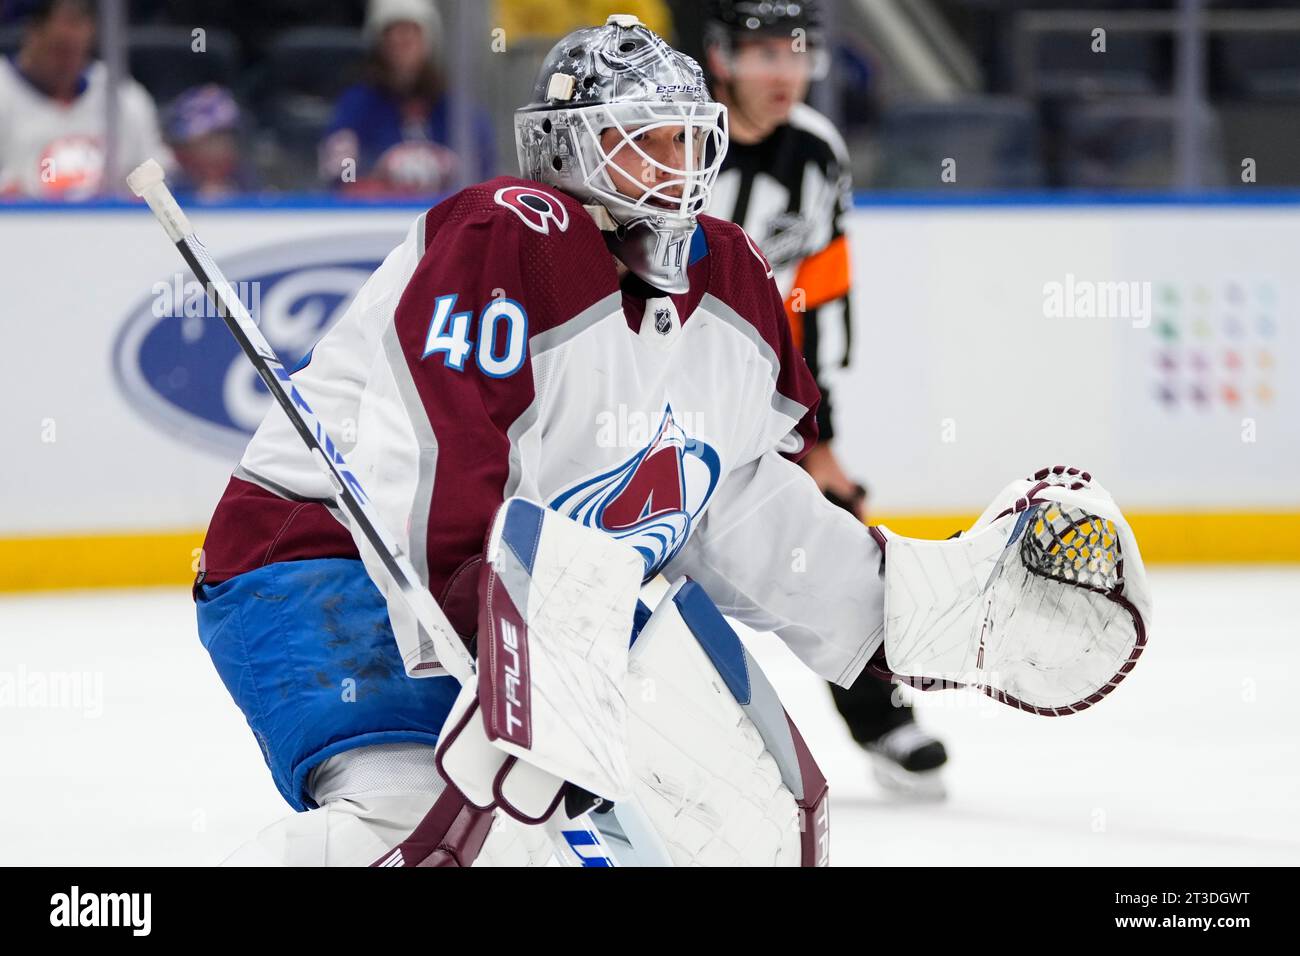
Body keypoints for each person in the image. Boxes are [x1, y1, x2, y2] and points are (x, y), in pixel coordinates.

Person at [196, 14, 889, 866]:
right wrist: (507, 657)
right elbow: (428, 460)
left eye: (685, 141)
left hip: (509, 609)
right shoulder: (509, 236)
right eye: (642, 143)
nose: (674, 170)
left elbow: (729, 502)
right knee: (420, 825)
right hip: (321, 560)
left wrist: (898, 613)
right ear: (568, 150)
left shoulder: (721, 278)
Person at [703, 0, 948, 798]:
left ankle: (882, 719)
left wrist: (819, 437)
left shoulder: (816, 151)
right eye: (764, 53)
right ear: (721, 57)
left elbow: (816, 296)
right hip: (649, 390)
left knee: (834, 537)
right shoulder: (674, 140)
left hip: (758, 397)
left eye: (796, 54)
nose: (784, 73)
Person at [319, 0, 495, 196]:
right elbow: (340, 179)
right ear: (379, 41)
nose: (401, 40)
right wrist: (376, 183)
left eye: (411, 30)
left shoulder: (460, 113)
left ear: (429, 39)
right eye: (392, 31)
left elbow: (485, 181)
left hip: (447, 221)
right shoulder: (355, 106)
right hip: (377, 220)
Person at [0, 0, 172, 199]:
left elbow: (158, 176)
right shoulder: (4, 91)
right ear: (32, 33)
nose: (67, 62)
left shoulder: (121, 96)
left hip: (108, 225)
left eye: (77, 48)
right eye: (59, 48)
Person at [162, 84, 254, 199]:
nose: (219, 149)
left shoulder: (247, 181)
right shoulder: (167, 184)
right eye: (209, 140)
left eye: (225, 138)